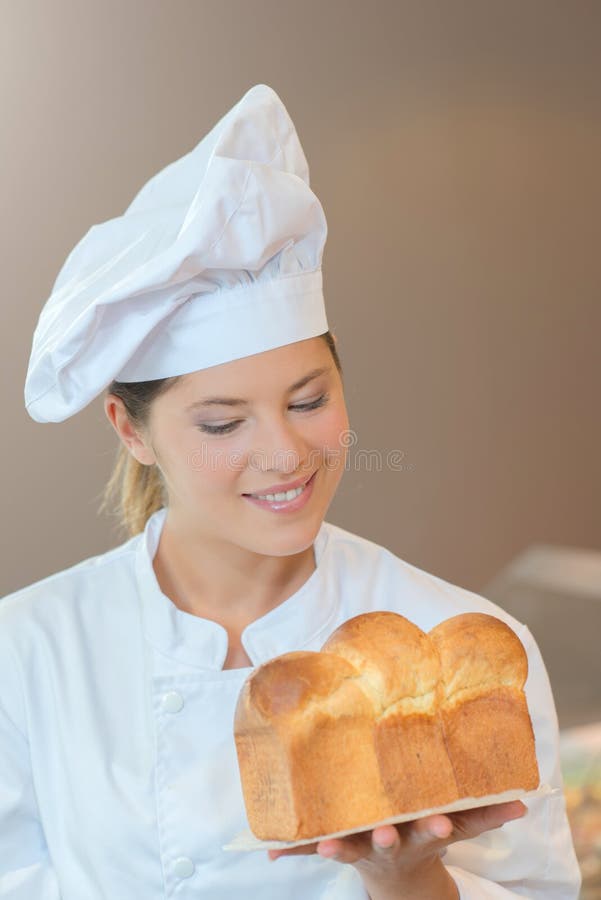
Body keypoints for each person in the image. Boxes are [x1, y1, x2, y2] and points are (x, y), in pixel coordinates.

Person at [0, 84, 580, 899]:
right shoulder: (26, 655)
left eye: (309, 401)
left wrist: (408, 879)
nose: (284, 454)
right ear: (131, 432)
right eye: (221, 424)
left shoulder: (457, 651)